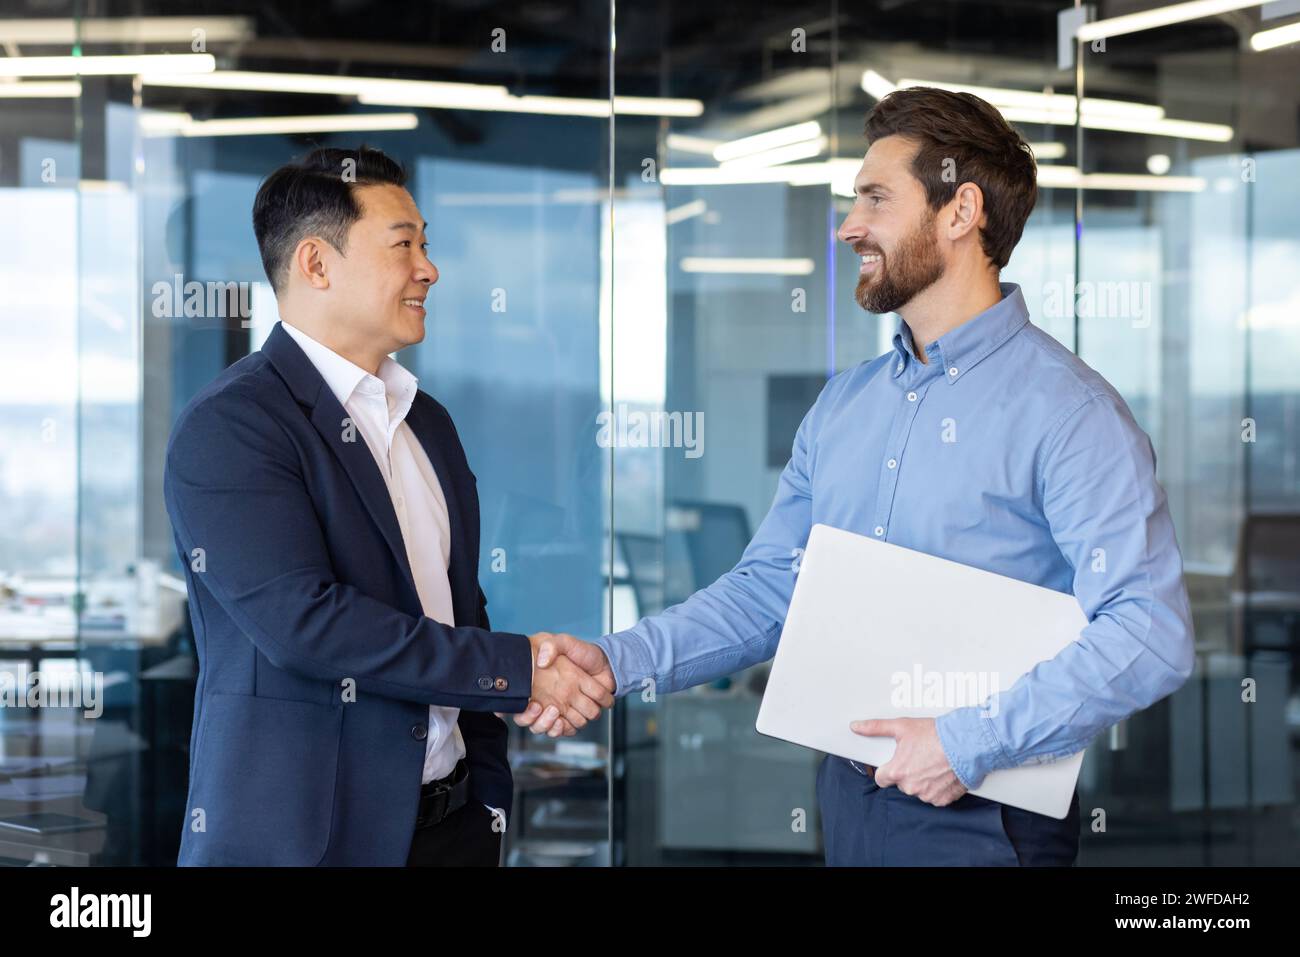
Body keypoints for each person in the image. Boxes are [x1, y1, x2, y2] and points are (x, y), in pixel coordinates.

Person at [518, 88, 1195, 866]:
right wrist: (620, 658)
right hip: (850, 796)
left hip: (988, 817)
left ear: (960, 211)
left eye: (876, 198)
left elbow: (1149, 630)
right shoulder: (845, 405)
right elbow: (772, 588)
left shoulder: (1069, 412)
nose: (849, 227)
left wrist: (965, 741)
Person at [164, 146, 614, 866]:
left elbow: (458, 606)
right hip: (310, 843)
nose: (428, 269)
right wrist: (519, 667)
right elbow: (307, 625)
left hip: (454, 827)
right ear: (316, 264)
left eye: (426, 244)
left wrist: (489, 792)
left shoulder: (424, 419)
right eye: (403, 244)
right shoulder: (234, 425)